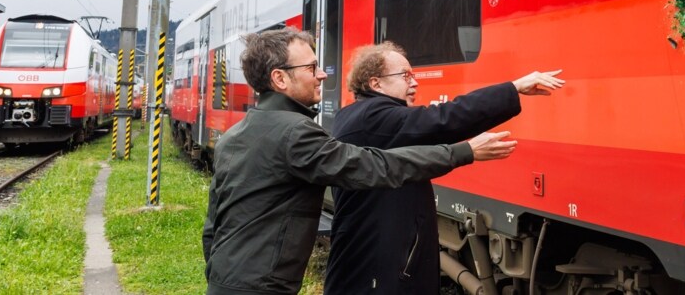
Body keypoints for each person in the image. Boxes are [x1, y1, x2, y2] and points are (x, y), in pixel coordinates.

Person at [202, 29, 517, 295]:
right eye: (312, 68)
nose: (323, 74)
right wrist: (463, 152)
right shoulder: (296, 133)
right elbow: (373, 165)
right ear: (280, 79)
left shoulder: (234, 135)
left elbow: (212, 225)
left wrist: (220, 276)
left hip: (224, 280)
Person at [323, 42, 564, 294]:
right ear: (376, 84)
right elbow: (442, 119)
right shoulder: (372, 118)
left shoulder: (358, 115)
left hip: (375, 265)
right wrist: (514, 88)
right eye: (405, 76)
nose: (414, 82)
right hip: (378, 274)